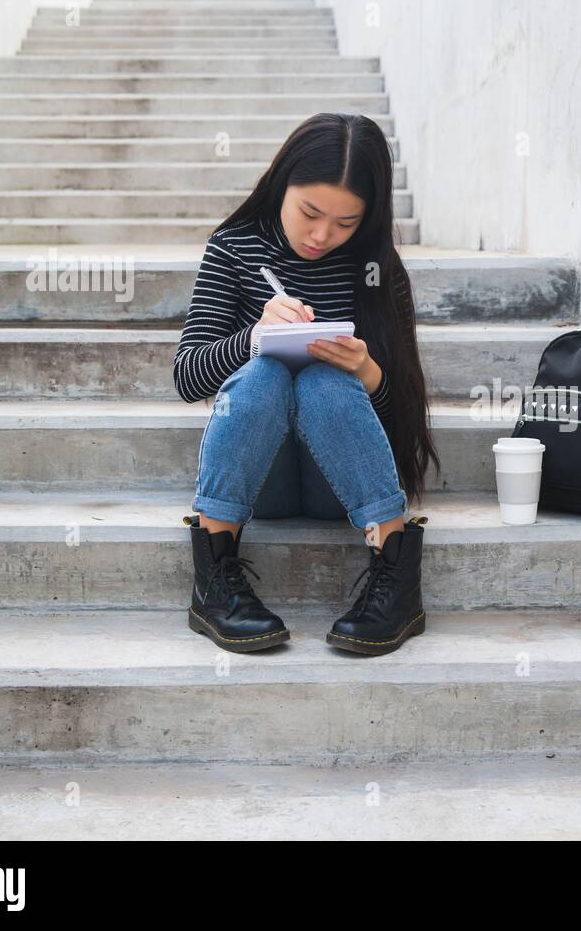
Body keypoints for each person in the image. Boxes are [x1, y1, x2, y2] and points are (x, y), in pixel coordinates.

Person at [173, 112, 441, 656]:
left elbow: (402, 413)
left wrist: (365, 372)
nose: (322, 236)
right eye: (310, 213)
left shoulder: (375, 269)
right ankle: (215, 578)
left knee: (324, 379)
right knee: (266, 372)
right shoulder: (234, 248)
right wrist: (254, 336)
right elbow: (188, 375)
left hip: (341, 481)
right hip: (258, 473)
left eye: (345, 224)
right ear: (282, 184)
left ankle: (395, 579)